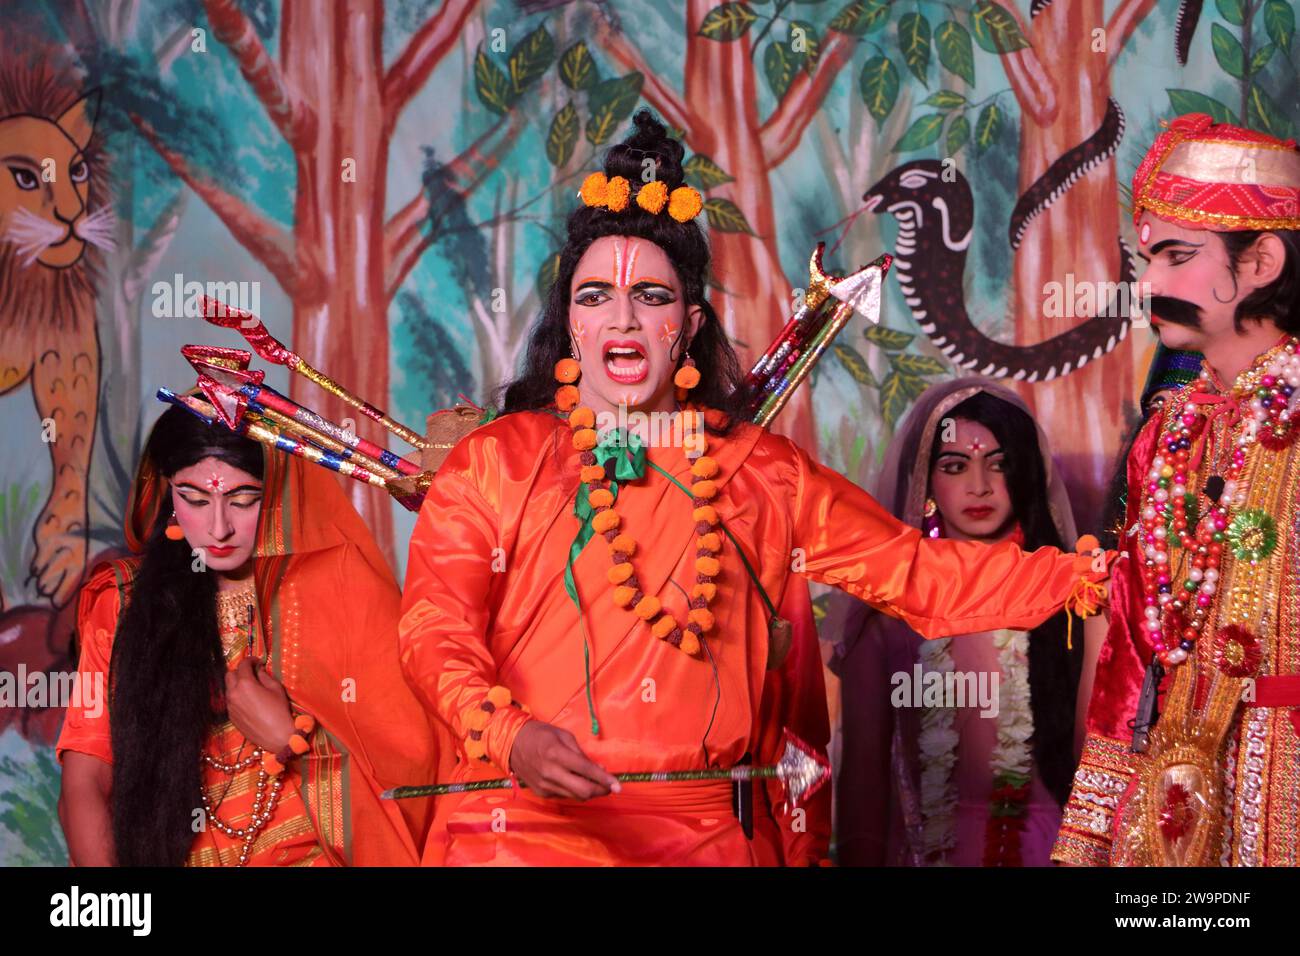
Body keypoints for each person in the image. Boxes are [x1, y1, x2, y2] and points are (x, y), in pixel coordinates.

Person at [399, 110, 1109, 867]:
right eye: (595, 295)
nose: (624, 319)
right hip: (522, 831)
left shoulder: (761, 472)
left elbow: (915, 574)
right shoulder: (498, 463)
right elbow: (432, 631)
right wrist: (511, 736)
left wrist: (1082, 576)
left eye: (652, 296)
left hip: (702, 838)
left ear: (689, 321)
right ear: (571, 324)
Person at [1053, 114, 1300, 867]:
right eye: (1148, 258)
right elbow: (1129, 648)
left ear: (1260, 261)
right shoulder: (1170, 434)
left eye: (1175, 256)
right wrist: (1091, 834)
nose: (1149, 283)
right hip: (1178, 796)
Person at [57, 403, 442, 866]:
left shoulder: (339, 595)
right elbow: (85, 783)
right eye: (195, 499)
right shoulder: (121, 604)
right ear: (166, 494)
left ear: (280, 491)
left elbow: (414, 777)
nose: (219, 527)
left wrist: (295, 744)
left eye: (242, 500)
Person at [826, 378, 1083, 866]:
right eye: (955, 466)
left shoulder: (1070, 598)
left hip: (1058, 851)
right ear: (926, 482)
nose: (979, 486)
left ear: (1025, 474)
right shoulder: (887, 620)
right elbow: (863, 781)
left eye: (1000, 464)